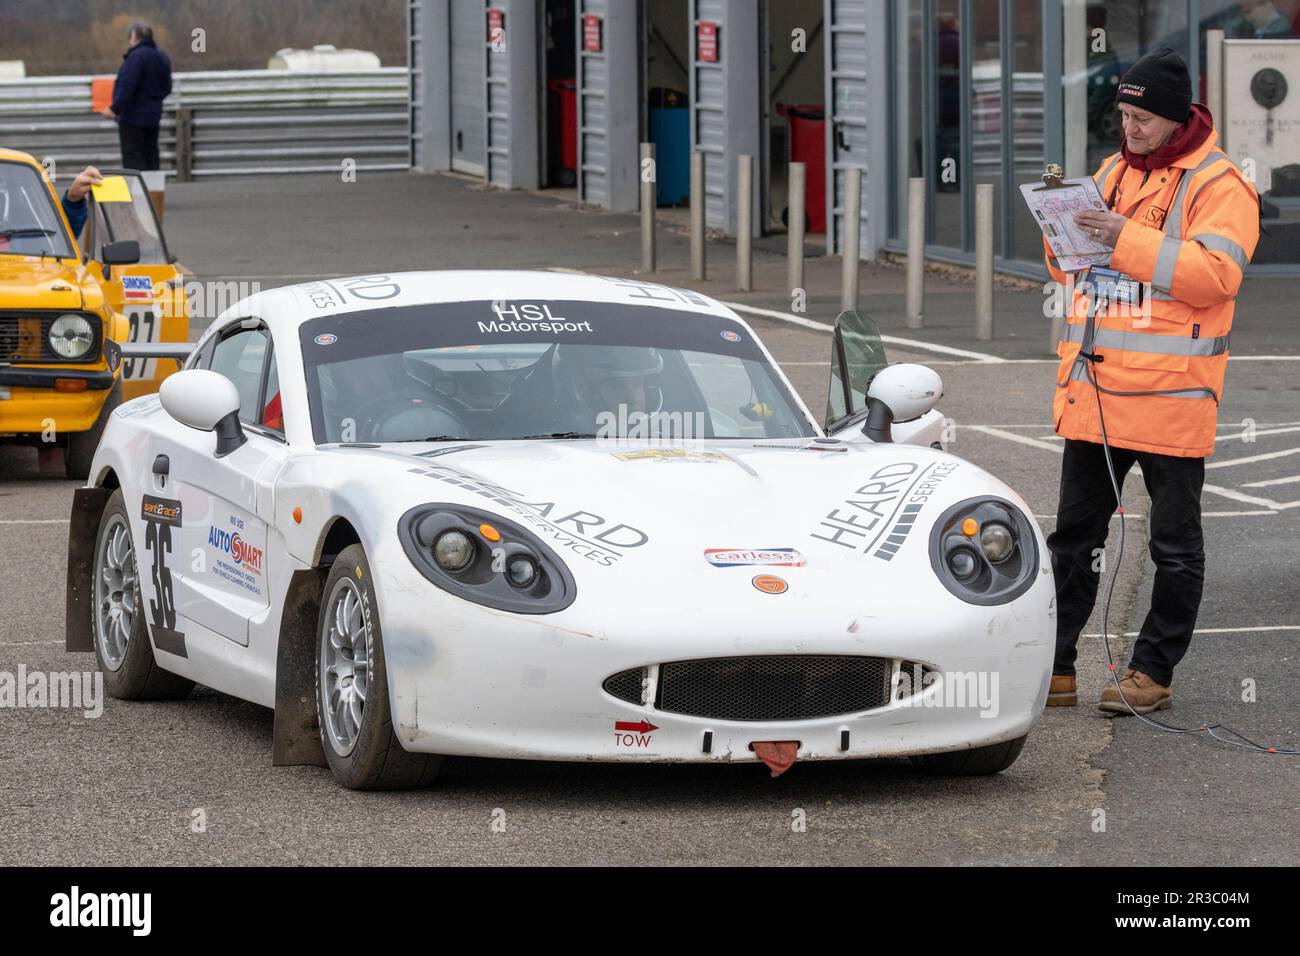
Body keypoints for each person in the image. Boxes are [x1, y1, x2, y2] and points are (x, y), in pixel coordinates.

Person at [1045, 48, 1260, 715]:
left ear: (1175, 117)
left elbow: (1213, 278)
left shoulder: (1220, 184)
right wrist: (1064, 239)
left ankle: (1152, 672)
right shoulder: (1113, 171)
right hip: (1097, 393)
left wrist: (1120, 237)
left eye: (1142, 117)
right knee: (1073, 543)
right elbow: (1074, 276)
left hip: (1170, 396)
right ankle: (1054, 667)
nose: (1130, 128)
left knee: (1174, 547)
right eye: (1125, 114)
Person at [99, 21, 172, 171]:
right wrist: (153, 101)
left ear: (133, 36)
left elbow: (128, 86)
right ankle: (153, 192)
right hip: (153, 116)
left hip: (132, 118)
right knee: (151, 154)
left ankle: (138, 193)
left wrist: (114, 109)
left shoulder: (135, 58)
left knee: (133, 156)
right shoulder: (161, 57)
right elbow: (167, 87)